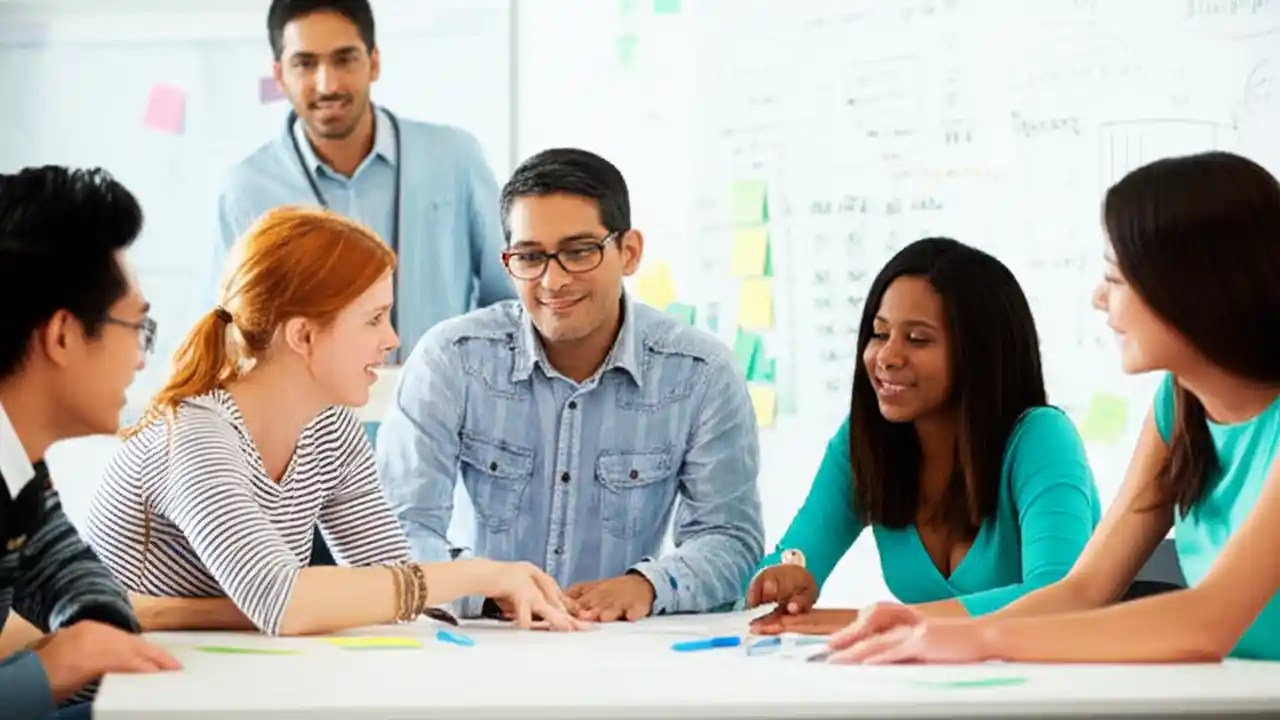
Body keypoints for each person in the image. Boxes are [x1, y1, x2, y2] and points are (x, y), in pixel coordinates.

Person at [822, 151, 1280, 664]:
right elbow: (1084, 590)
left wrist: (980, 639)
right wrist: (928, 627)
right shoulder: (1179, 405)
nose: (1099, 298)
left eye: (1116, 279)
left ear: (1191, 287)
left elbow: (1209, 620)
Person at [84, 206, 583, 637]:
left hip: (210, 676)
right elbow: (284, 603)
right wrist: (478, 574)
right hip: (117, 694)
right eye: (374, 319)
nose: (392, 339)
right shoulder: (195, 437)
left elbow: (390, 580)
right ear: (302, 336)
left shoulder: (331, 430)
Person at [377, 148, 765, 622]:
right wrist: (485, 586)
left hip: (623, 642)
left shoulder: (702, 373)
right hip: (478, 638)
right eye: (529, 257)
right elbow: (395, 533)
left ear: (629, 252)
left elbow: (731, 540)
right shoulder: (451, 359)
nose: (553, 280)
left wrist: (647, 586)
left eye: (579, 252)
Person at [745, 238, 1101, 636]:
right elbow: (792, 559)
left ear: (979, 352)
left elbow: (1057, 600)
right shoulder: (866, 441)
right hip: (944, 672)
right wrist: (779, 581)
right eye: (879, 334)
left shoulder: (1041, 438)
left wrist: (881, 621)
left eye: (917, 339)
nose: (887, 357)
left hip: (1060, 672)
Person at [215, 0, 513, 359]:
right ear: (279, 75)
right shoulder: (246, 189)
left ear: (374, 63)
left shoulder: (455, 159)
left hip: (444, 392)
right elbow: (226, 334)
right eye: (305, 64)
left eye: (344, 59)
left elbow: (511, 299)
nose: (327, 85)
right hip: (308, 397)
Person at [0, 166, 180, 720]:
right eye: (137, 328)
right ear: (63, 335)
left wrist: (96, 632)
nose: (141, 360)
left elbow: (60, 564)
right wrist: (52, 669)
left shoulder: (17, 465)